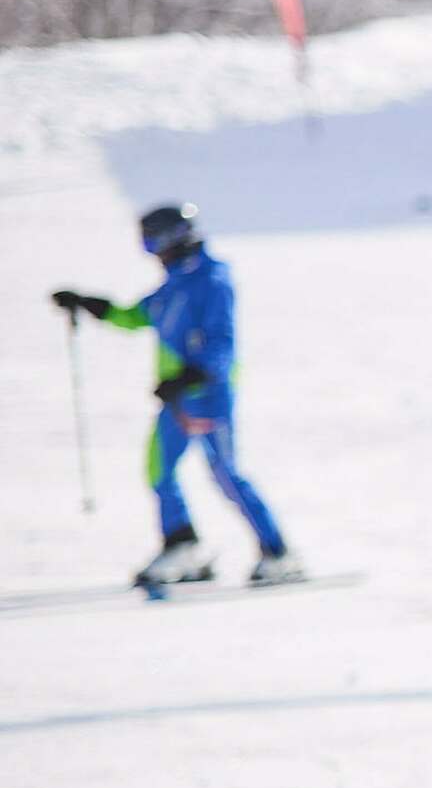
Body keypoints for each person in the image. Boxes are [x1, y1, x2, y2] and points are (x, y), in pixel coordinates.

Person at [52, 204, 301, 587]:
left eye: (152, 241)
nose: (151, 250)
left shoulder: (211, 281)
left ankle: (278, 553)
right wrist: (89, 304)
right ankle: (182, 545)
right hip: (177, 397)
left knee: (226, 474)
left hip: (208, 395)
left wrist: (190, 376)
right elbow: (135, 317)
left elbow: (222, 341)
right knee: (159, 470)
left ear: (172, 238)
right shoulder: (173, 286)